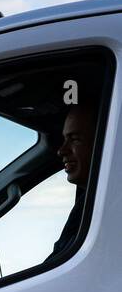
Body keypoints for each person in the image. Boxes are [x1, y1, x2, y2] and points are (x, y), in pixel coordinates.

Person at [49, 101, 95, 259]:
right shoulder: (90, 205)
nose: (61, 151)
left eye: (75, 139)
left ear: (102, 142)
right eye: (64, 139)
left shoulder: (108, 207)